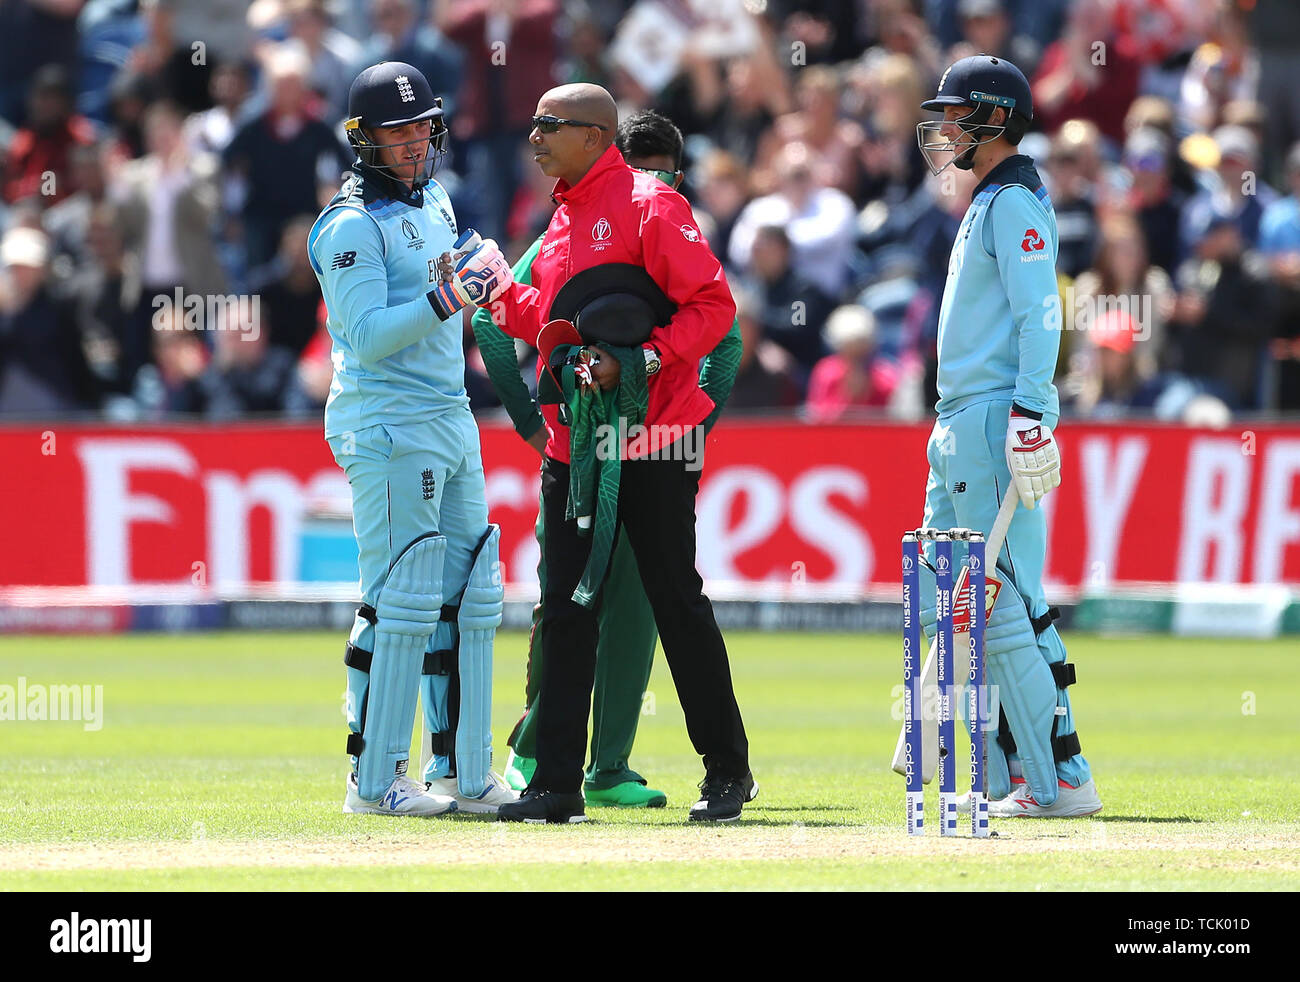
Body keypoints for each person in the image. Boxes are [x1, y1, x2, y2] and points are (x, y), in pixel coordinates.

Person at [480, 83, 754, 824]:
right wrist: (498, 295)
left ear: (596, 135)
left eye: (548, 125)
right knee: (567, 609)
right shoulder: (563, 217)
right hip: (580, 444)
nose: (533, 137)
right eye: (533, 123)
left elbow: (713, 308)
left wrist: (641, 364)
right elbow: (552, 319)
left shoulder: (651, 204)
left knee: (675, 601)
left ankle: (728, 771)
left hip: (656, 440)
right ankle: (557, 784)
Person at [306, 61, 517, 817]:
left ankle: (464, 769)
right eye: (398, 131)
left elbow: (448, 294)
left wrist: (480, 277)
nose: (416, 142)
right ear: (363, 140)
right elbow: (363, 336)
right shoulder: (348, 224)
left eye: (423, 126)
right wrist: (449, 293)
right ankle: (376, 782)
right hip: (386, 421)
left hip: (449, 412)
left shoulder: (435, 197)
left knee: (472, 592)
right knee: (400, 597)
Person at [914, 54, 1099, 817]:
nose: (946, 126)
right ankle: (991, 771)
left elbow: (1040, 315)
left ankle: (1058, 780)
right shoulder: (991, 199)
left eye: (959, 113)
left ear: (993, 118)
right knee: (955, 591)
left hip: (992, 416)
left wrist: (1031, 412)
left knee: (998, 599)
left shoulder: (1017, 200)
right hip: (962, 417)